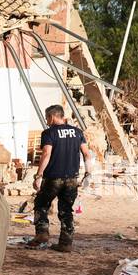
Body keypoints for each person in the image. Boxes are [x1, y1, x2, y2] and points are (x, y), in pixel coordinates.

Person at [30, 105, 91, 252]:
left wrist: (39, 175)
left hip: (53, 178)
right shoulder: (78, 132)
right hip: (72, 179)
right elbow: (87, 154)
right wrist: (88, 173)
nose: (46, 120)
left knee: (41, 204)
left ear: (52, 116)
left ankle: (42, 234)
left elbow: (46, 153)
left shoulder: (48, 133)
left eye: (47, 117)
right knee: (66, 210)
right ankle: (65, 243)